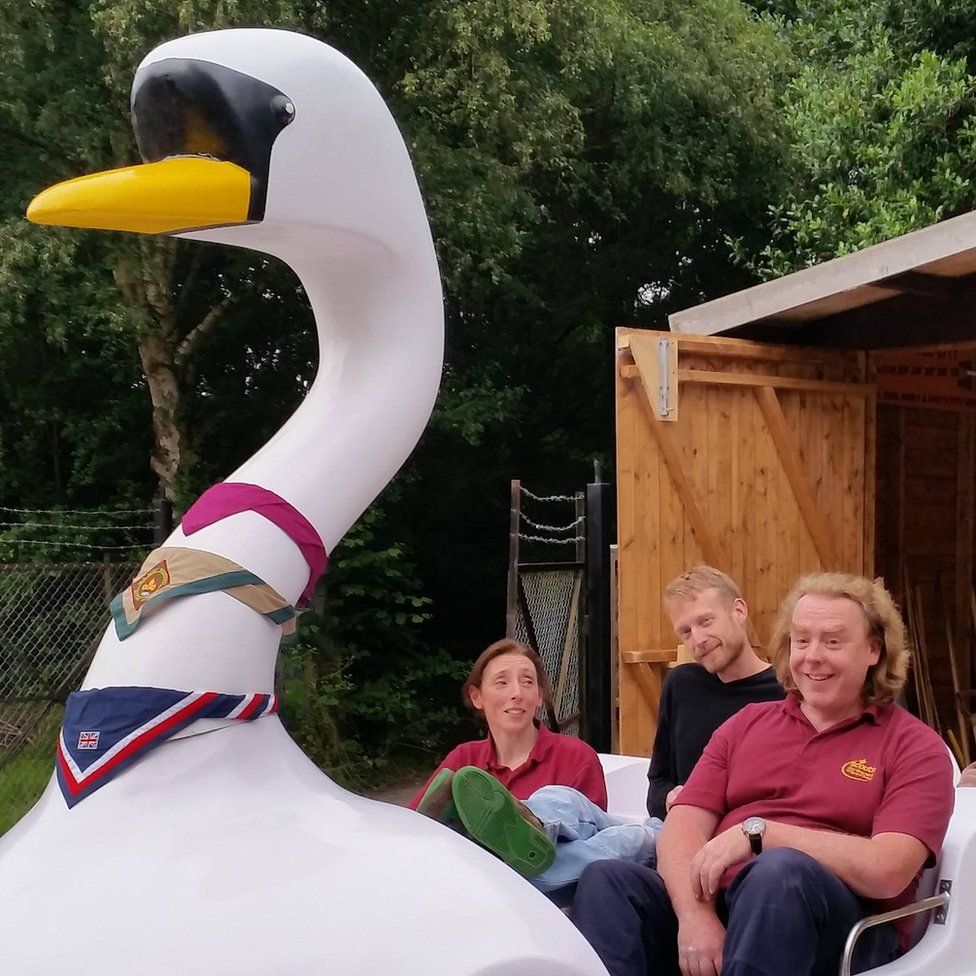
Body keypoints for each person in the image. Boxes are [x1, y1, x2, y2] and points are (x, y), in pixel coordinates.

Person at [572, 572, 955, 976]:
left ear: (874, 650)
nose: (813, 656)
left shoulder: (914, 746)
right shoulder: (746, 725)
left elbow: (887, 871)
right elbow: (683, 827)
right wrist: (696, 918)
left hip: (844, 929)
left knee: (779, 872)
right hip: (724, 907)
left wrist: (762, 835)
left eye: (833, 641)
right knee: (606, 880)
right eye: (801, 640)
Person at [410, 638, 660, 896]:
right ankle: (500, 833)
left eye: (527, 682)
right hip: (480, 890)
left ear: (539, 696)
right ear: (477, 697)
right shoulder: (464, 758)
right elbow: (413, 820)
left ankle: (532, 821)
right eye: (502, 682)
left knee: (559, 798)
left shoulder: (575, 756)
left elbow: (589, 847)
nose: (517, 692)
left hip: (549, 889)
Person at [648, 567, 785, 820]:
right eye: (686, 632)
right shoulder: (681, 684)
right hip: (678, 830)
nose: (698, 640)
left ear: (739, 611)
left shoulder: (786, 693)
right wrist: (669, 799)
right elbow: (658, 779)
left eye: (706, 621)